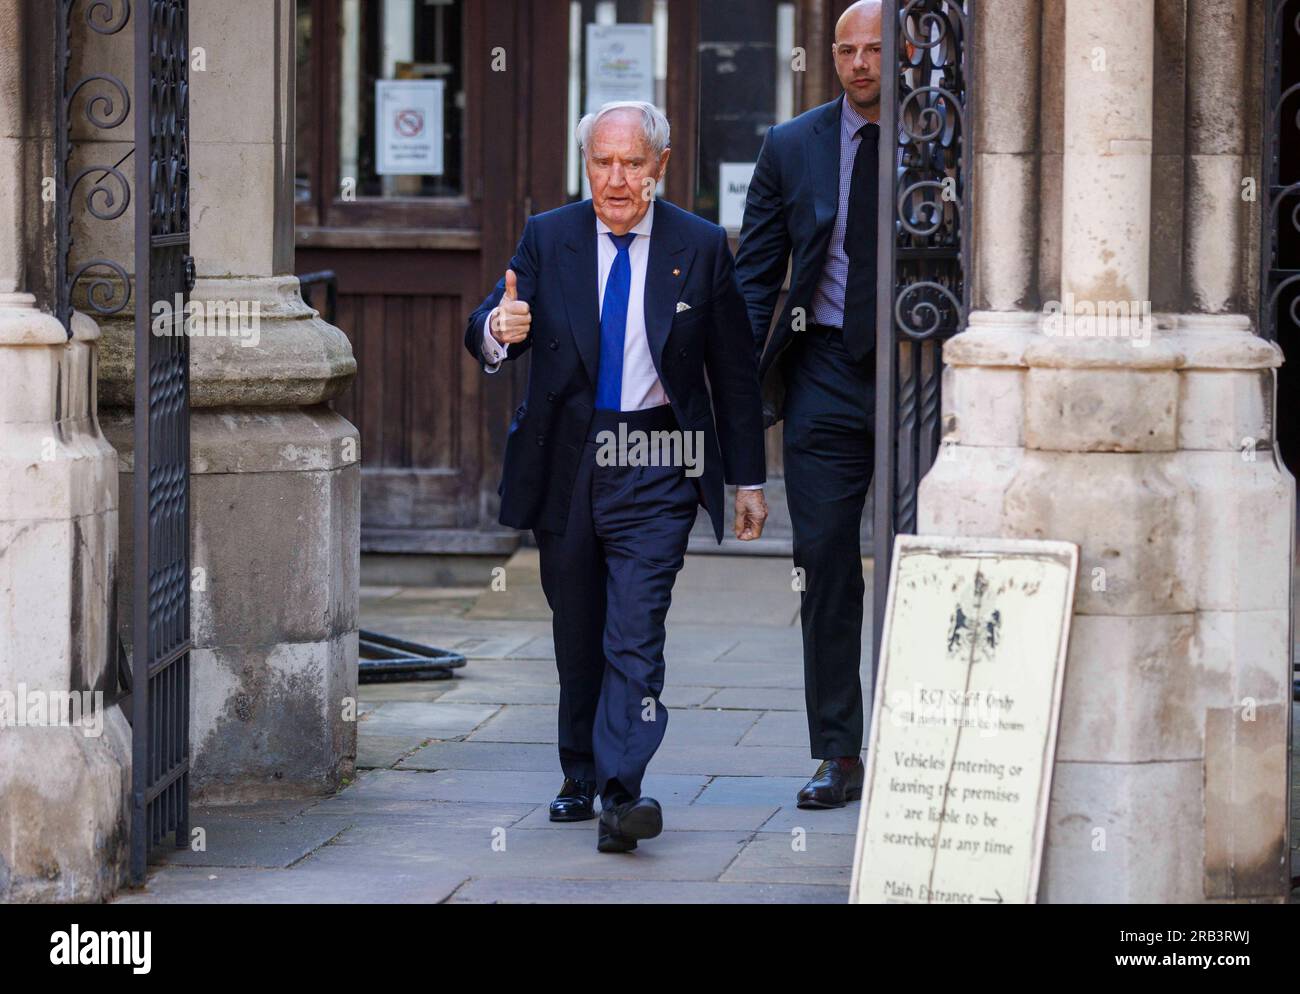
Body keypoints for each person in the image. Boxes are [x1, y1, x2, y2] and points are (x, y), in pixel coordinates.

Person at [464, 101, 768, 852]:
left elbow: (732, 370)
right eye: (603, 162)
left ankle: (623, 790)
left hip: (660, 455)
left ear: (660, 167)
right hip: (569, 454)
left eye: (634, 163)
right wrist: (498, 331)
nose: (617, 178)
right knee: (578, 625)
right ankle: (580, 771)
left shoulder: (698, 246)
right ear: (586, 166)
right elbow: (487, 316)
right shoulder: (551, 235)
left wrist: (748, 480)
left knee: (636, 627)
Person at [735, 0, 883, 809]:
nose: (861, 64)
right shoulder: (790, 147)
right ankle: (839, 753)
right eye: (847, 50)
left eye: (875, 49)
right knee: (822, 561)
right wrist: (738, 394)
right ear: (830, 56)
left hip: (917, 370)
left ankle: (926, 739)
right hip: (823, 371)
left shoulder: (944, 140)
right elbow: (755, 277)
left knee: (920, 556)